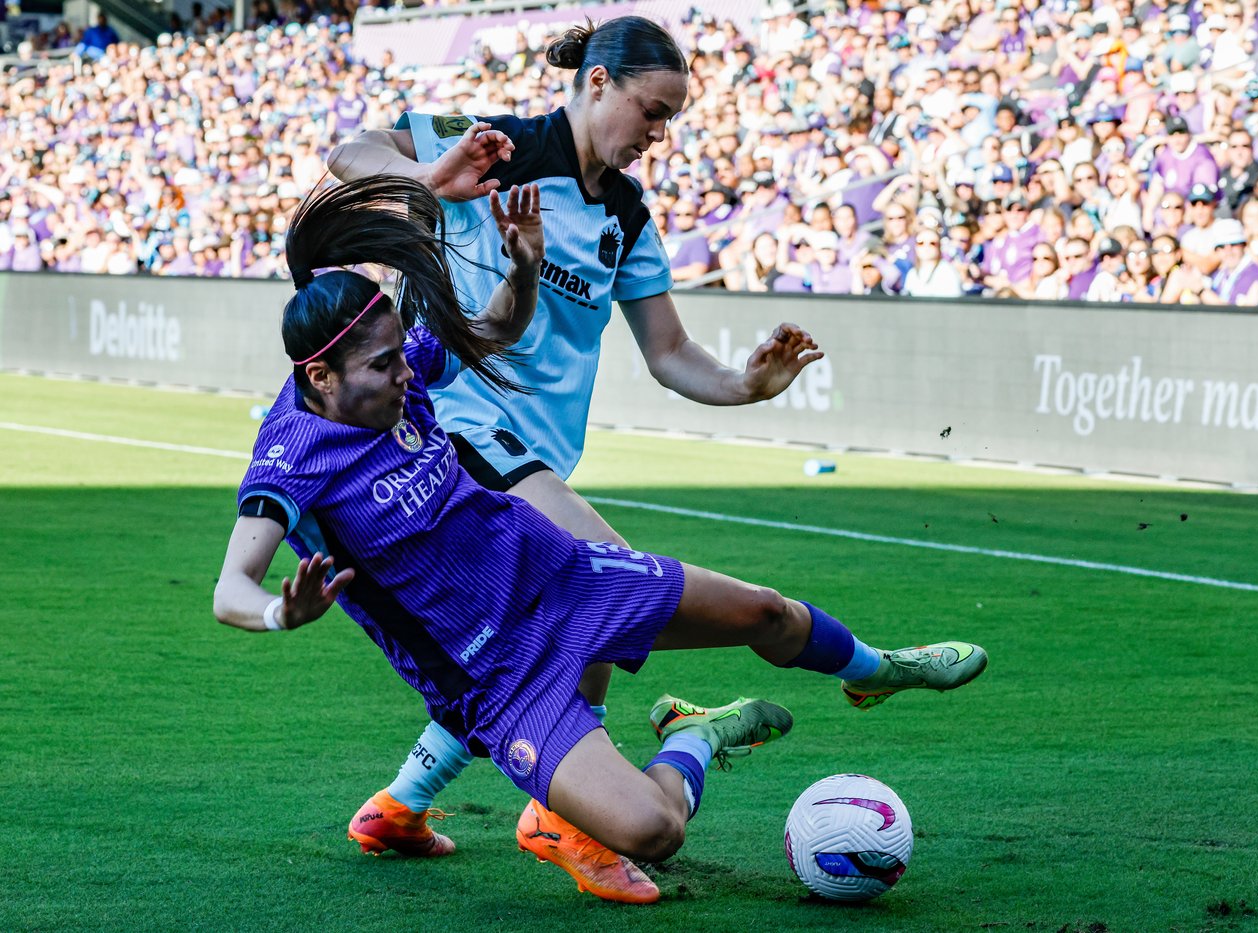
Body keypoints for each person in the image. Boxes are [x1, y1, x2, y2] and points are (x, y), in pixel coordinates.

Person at [213, 174, 989, 903]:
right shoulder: (291, 459)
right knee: (656, 830)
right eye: (382, 367)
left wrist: (522, 269)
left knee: (764, 613)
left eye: (397, 357)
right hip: (500, 675)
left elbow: (493, 330)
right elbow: (230, 590)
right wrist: (283, 612)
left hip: (565, 574)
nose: (403, 376)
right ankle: (697, 733)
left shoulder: (400, 360)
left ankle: (875, 668)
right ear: (320, 377)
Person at [324, 16, 826, 902]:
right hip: (453, 426)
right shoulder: (500, 144)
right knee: (598, 581)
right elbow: (351, 150)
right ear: (597, 84)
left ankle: (403, 802)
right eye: (651, 110)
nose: (656, 135)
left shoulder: (626, 216)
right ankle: (560, 814)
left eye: (670, 120)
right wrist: (427, 179)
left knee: (514, 642)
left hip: (535, 455)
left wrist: (748, 386)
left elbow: (670, 354)